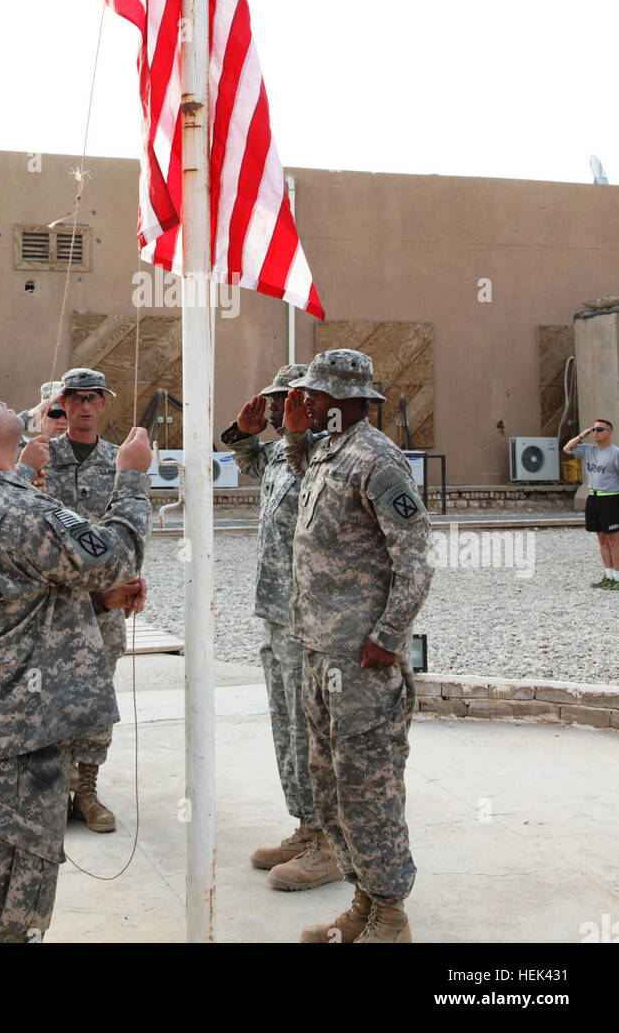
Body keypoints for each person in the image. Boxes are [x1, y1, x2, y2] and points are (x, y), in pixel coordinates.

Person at [0, 371, 151, 942]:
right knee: (0, 925)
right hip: (7, 756)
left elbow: (12, 601)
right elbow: (115, 555)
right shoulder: (14, 509)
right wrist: (134, 478)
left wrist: (87, 597)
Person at [282, 349, 434, 944]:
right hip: (320, 651)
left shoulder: (378, 460)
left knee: (369, 784)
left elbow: (416, 556)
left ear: (346, 400)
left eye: (316, 396)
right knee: (331, 784)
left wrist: (389, 636)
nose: (308, 402)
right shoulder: (326, 450)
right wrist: (295, 435)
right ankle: (362, 904)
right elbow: (300, 480)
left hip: (362, 660)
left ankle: (391, 915)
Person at [220, 363, 341, 891]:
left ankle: (332, 843)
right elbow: (248, 461)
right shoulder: (276, 454)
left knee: (314, 729)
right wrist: (241, 433)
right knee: (286, 724)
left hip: (311, 616)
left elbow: (306, 465)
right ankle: (306, 825)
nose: (273, 407)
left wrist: (292, 435)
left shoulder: (323, 455)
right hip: (275, 610)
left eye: (284, 400)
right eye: (271, 400)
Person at [42, 367, 126, 832]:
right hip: (51, 602)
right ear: (64, 404)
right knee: (49, 695)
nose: (86, 407)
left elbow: (129, 527)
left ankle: (86, 790)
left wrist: (129, 582)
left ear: (103, 403)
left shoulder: (118, 461)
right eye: (77, 399)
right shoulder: (39, 459)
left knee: (96, 696)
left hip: (104, 603)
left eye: (94, 398)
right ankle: (52, 789)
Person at [563, 418, 619, 588]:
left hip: (610, 498)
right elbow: (567, 448)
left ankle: (618, 578)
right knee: (601, 538)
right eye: (593, 429)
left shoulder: (615, 453)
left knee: (614, 540)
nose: (595, 432)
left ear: (609, 433)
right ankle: (608, 576)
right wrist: (582, 435)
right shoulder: (588, 450)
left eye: (599, 429)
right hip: (594, 498)